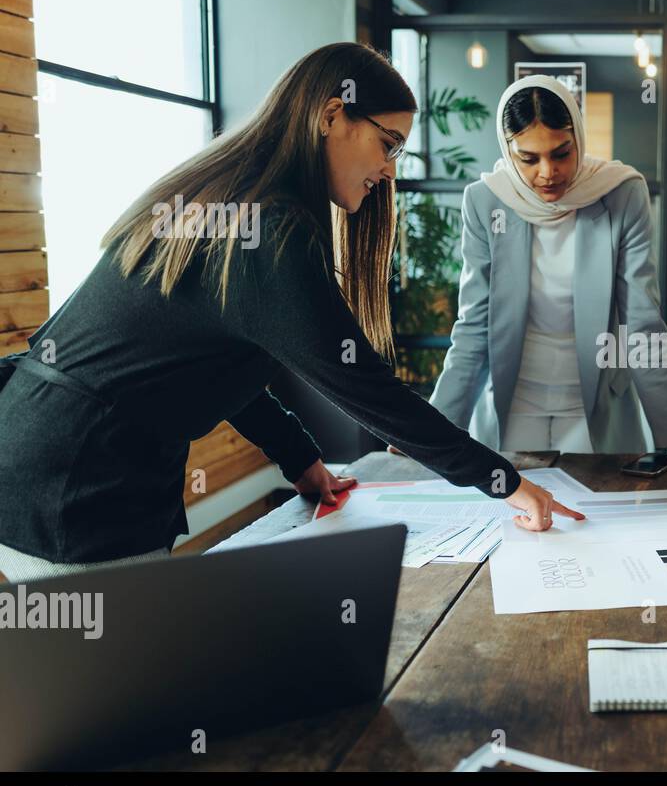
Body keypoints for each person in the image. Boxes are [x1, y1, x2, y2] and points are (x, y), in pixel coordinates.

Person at [0, 43, 579, 584]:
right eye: (388, 143)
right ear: (332, 116)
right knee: (117, 680)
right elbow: (367, 391)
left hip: (50, 453)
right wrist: (506, 485)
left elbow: (225, 369)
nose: (389, 169)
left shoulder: (239, 199)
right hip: (72, 478)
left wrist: (301, 461)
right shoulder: (268, 230)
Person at [430, 75, 667, 458]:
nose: (548, 172)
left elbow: (641, 321)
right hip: (514, 403)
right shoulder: (485, 201)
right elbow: (474, 324)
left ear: (578, 136)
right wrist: (432, 431)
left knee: (598, 513)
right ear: (508, 152)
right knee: (517, 514)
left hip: (594, 405)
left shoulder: (621, 193)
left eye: (562, 153)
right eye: (528, 159)